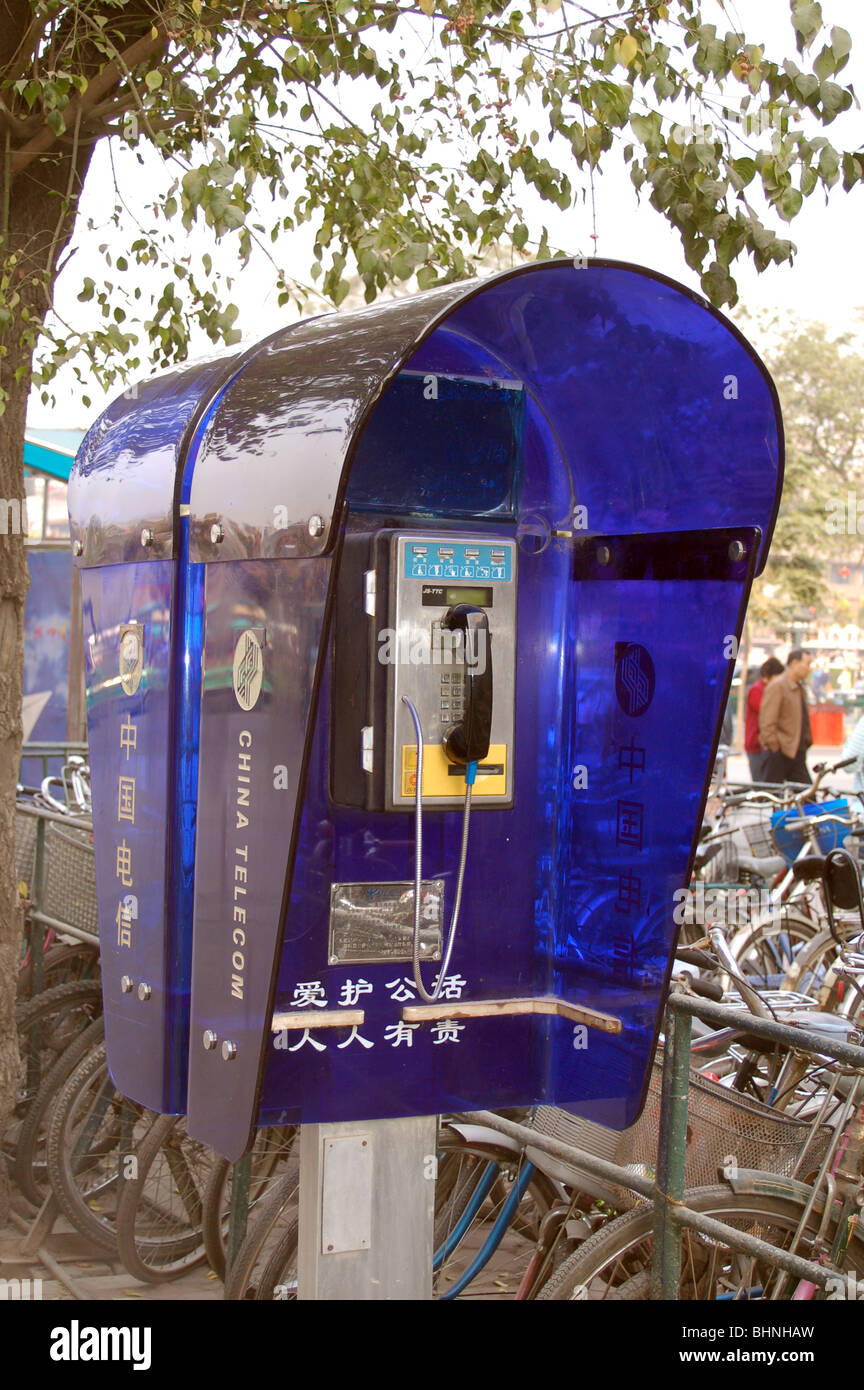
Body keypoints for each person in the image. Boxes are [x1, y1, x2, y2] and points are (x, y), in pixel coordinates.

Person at [759, 648, 813, 784]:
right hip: (780, 752)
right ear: (794, 663)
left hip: (796, 752)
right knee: (769, 797)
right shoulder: (778, 686)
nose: (809, 669)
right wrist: (775, 748)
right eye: (807, 664)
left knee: (807, 797)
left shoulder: (799, 688)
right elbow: (767, 722)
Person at [744, 656, 784, 782]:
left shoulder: (769, 690)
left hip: (766, 746)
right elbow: (767, 713)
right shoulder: (757, 690)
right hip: (756, 745)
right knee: (760, 784)